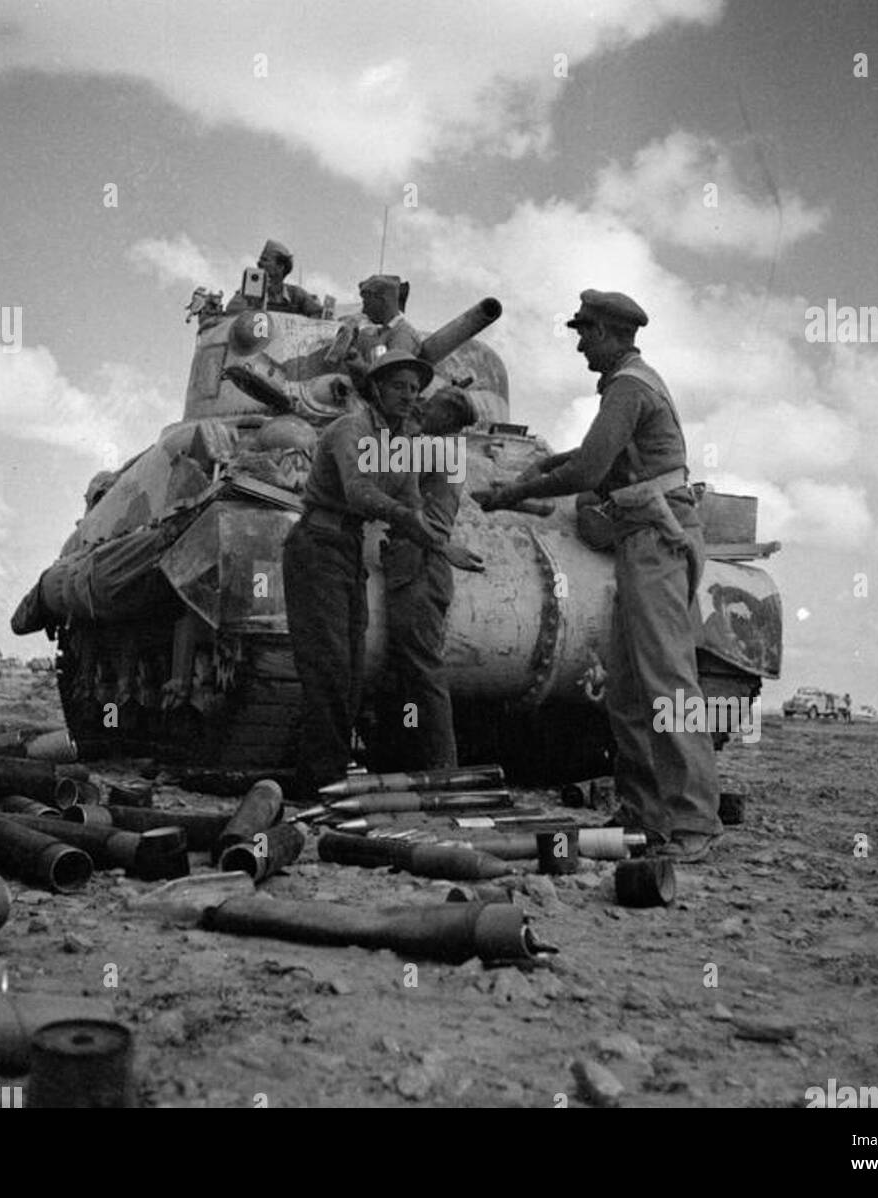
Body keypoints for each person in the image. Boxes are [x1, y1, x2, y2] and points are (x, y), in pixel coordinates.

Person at [473, 290, 722, 861]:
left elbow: (590, 467)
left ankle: (692, 823)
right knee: (629, 689)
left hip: (658, 539)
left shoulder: (631, 386)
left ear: (610, 334)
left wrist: (516, 490)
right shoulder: (628, 386)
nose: (581, 342)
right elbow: (594, 456)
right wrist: (544, 463)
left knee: (667, 683)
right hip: (640, 542)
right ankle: (644, 813)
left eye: (586, 332)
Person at [282, 351, 438, 797]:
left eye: (415, 389)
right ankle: (322, 783)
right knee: (327, 665)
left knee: (350, 670)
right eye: (400, 387)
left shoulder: (401, 442)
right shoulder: (350, 429)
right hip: (317, 546)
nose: (409, 396)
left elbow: (412, 503)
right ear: (377, 389)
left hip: (348, 550)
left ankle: (324, 775)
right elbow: (359, 490)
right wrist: (409, 522)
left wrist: (439, 543)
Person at [374, 386, 479, 772]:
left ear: (447, 418)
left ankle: (441, 770)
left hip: (419, 561)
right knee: (410, 671)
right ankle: (413, 760)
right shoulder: (444, 450)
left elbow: (384, 476)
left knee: (422, 670)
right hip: (418, 562)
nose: (421, 406)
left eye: (430, 406)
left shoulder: (434, 450)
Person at [227, 239, 323, 317]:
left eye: (265, 260)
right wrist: (254, 296)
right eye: (260, 259)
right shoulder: (249, 291)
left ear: (280, 267)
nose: (259, 263)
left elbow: (319, 315)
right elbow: (231, 311)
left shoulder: (296, 295)